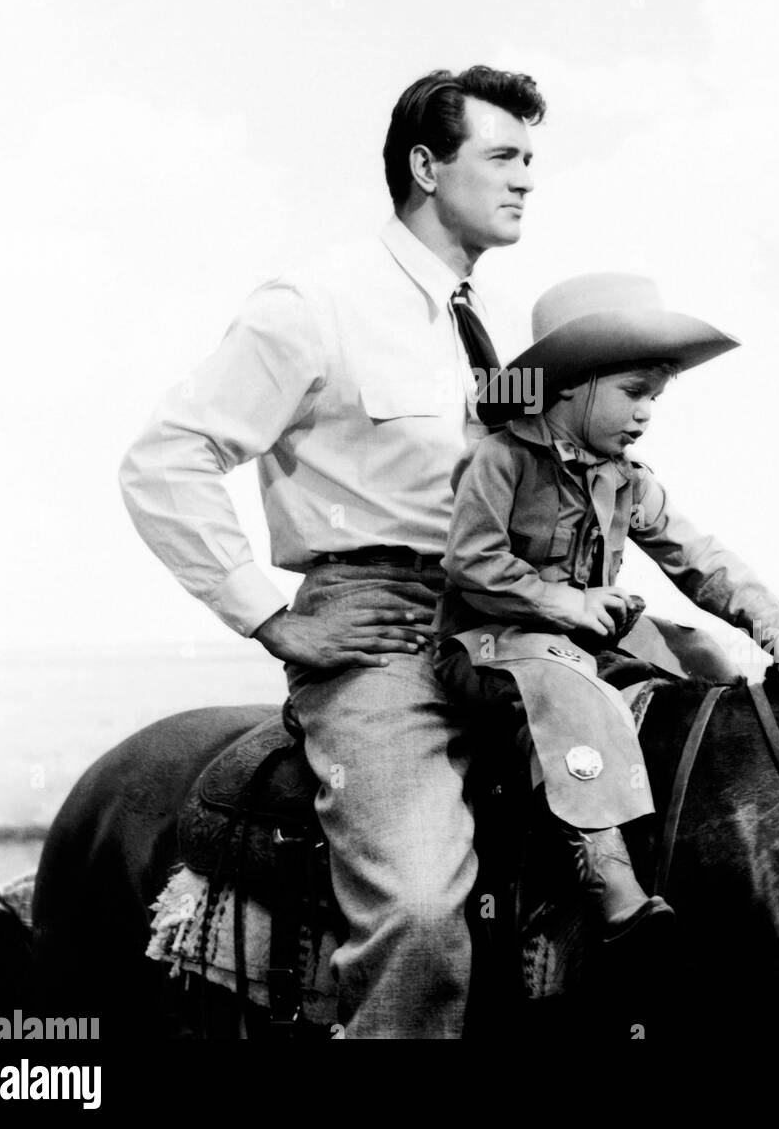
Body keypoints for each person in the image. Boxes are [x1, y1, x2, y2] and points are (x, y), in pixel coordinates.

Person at [119, 65, 546, 1039]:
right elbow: (165, 458)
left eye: (531, 159)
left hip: (505, 620)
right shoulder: (317, 303)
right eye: (503, 157)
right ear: (425, 166)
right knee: (419, 917)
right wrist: (271, 616)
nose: (526, 179)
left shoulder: (481, 327)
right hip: (381, 636)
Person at [435, 272, 779, 941]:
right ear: (567, 386)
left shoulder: (625, 479)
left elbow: (698, 557)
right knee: (566, 682)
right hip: (490, 646)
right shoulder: (501, 460)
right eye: (632, 393)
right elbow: (470, 562)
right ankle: (606, 875)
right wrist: (566, 603)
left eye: (653, 397)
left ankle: (714, 823)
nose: (645, 413)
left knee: (701, 654)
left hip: (585, 638)